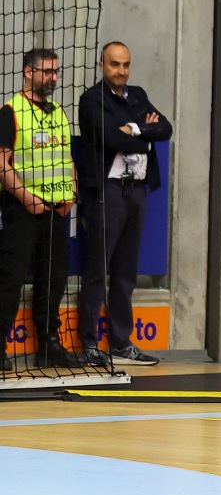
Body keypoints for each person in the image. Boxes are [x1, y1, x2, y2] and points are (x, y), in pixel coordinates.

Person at [76, 42, 173, 367]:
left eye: (126, 64)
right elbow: (109, 138)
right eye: (115, 64)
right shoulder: (92, 100)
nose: (121, 71)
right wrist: (146, 135)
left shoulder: (138, 96)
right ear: (102, 64)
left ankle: (121, 342)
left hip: (137, 192)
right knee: (96, 268)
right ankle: (89, 343)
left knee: (125, 272)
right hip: (107, 191)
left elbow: (165, 129)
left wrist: (135, 129)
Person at [0, 49, 82, 370]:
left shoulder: (59, 111)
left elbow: (67, 157)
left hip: (56, 211)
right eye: (47, 72)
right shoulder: (11, 112)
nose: (53, 78)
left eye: (55, 72)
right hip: (22, 211)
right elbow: (2, 164)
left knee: (54, 279)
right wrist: (25, 197)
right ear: (27, 72)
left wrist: (72, 192)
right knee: (11, 277)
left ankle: (49, 344)